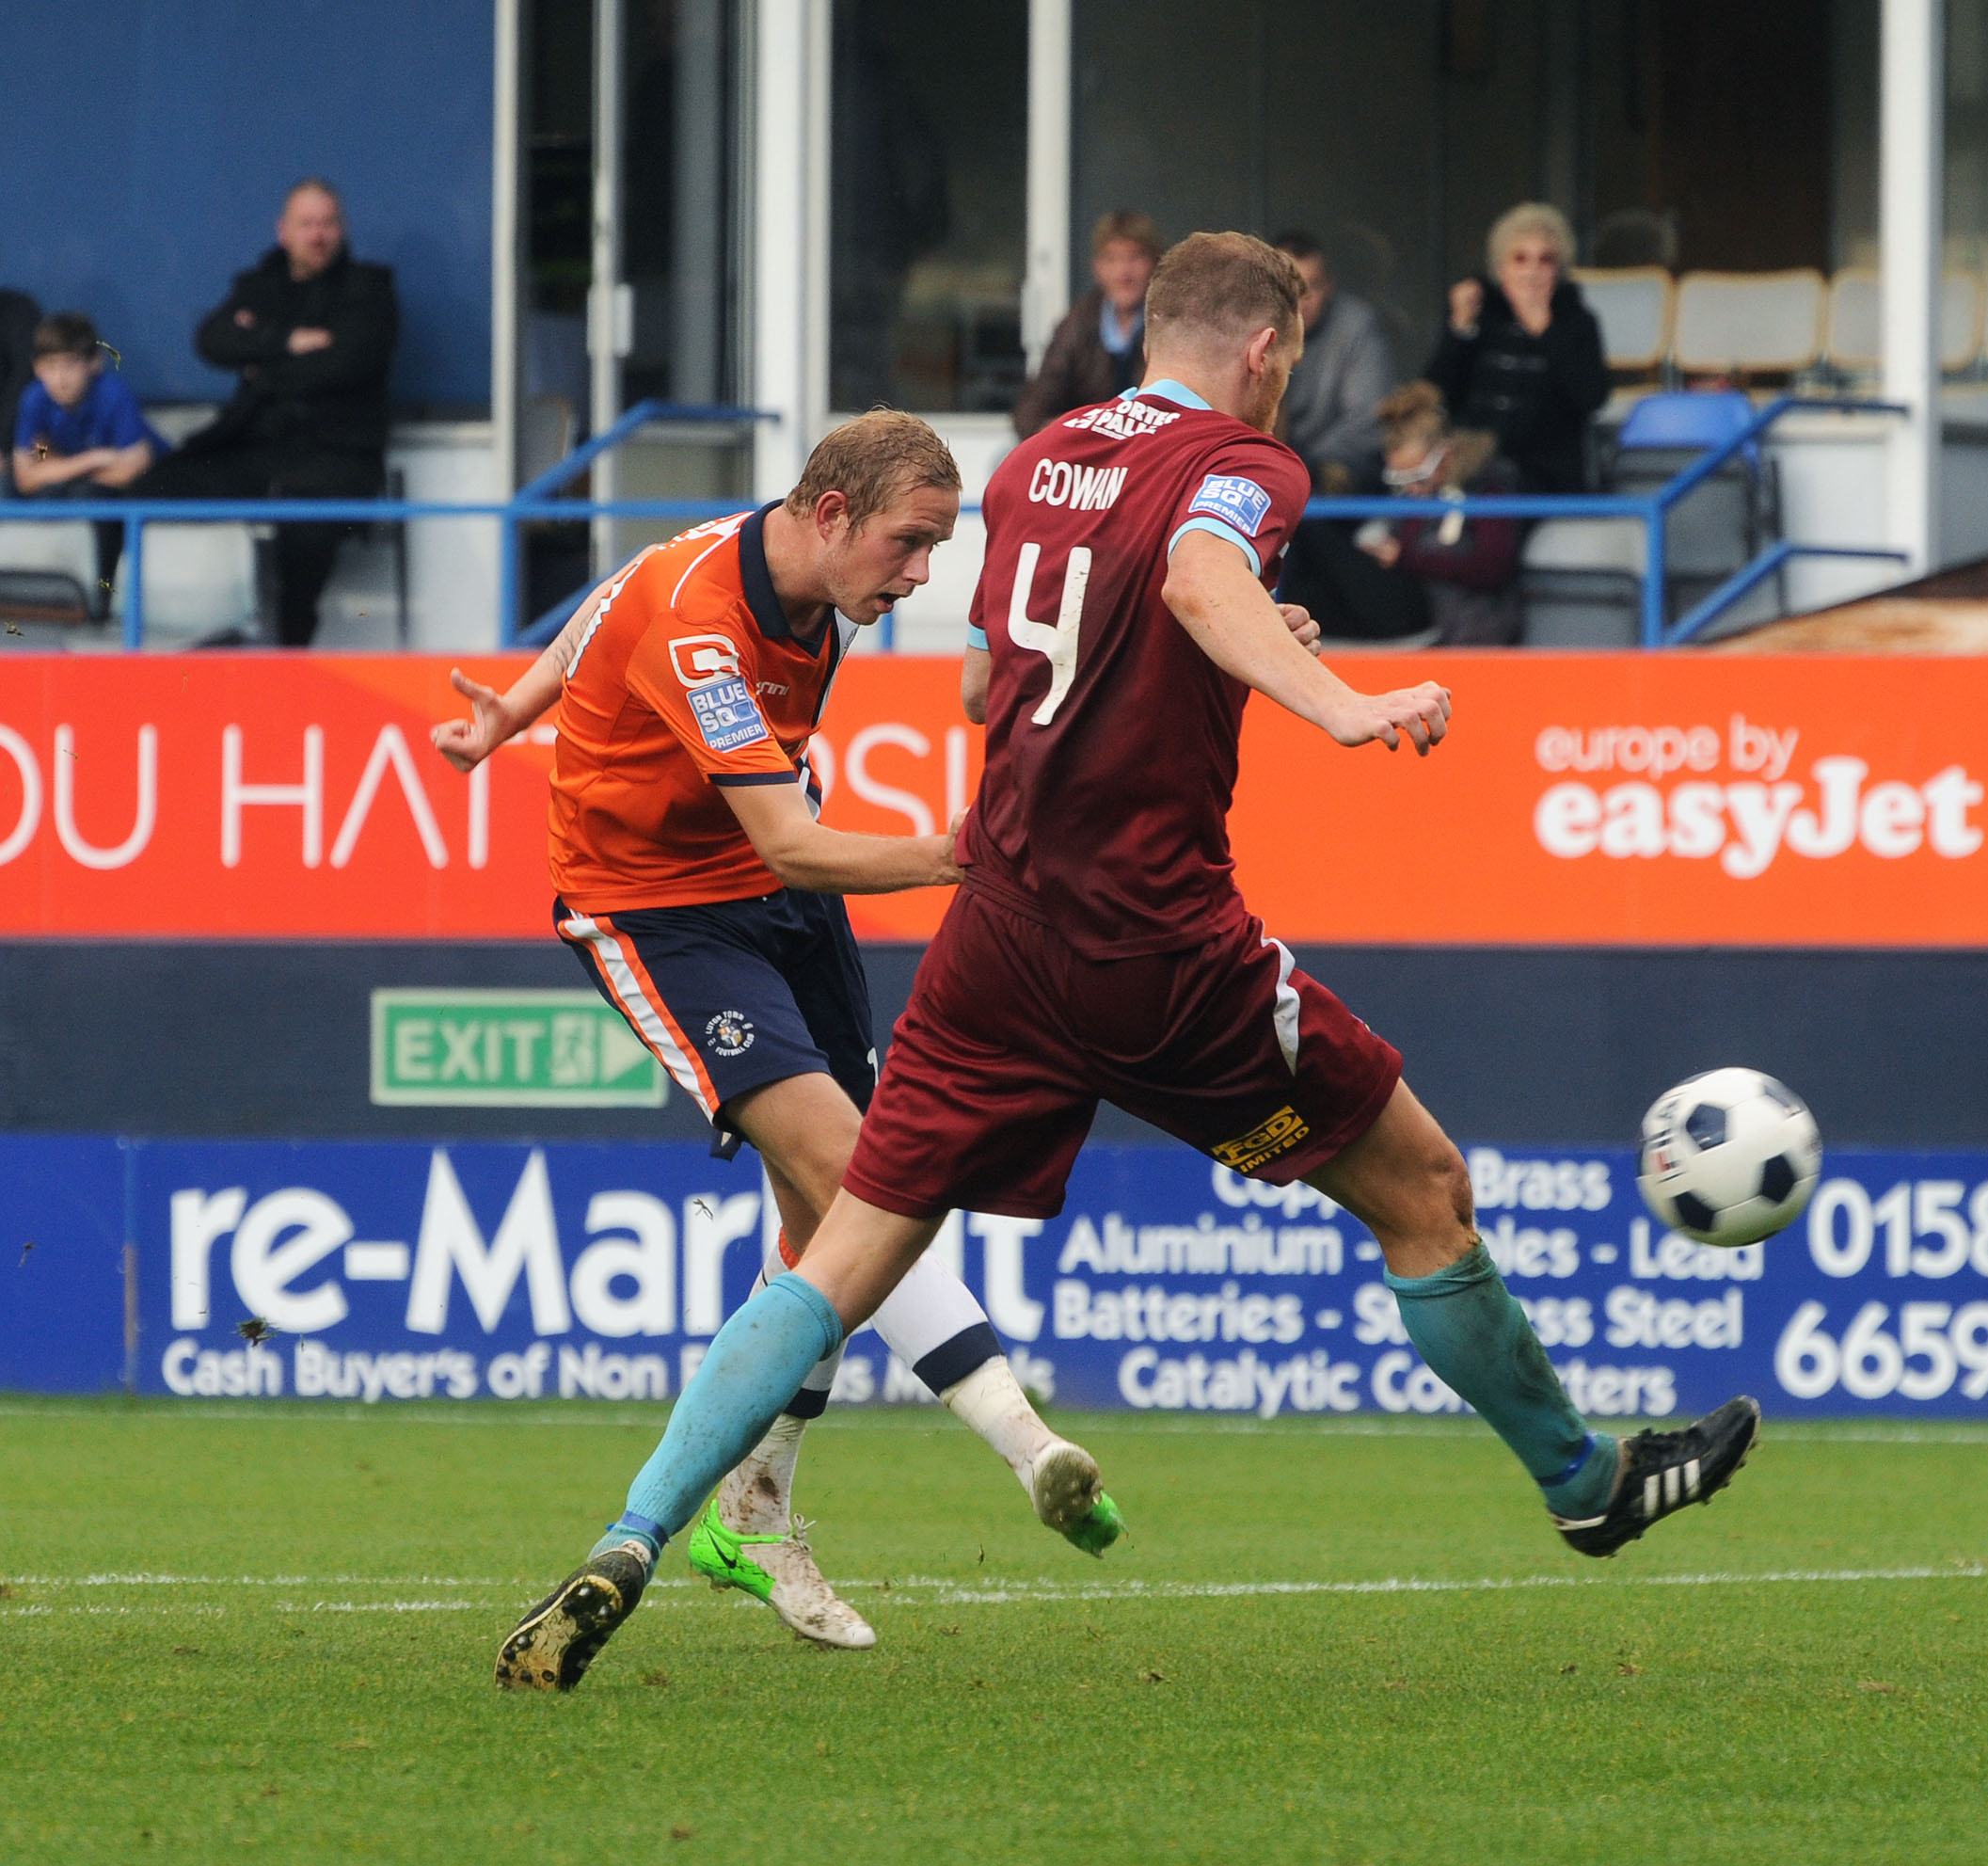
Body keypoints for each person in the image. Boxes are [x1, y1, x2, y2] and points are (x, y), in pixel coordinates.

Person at [497, 231, 1761, 1694]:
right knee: (1423, 1191)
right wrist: (1335, 698)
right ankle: (1582, 1482)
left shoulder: (1038, 460)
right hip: (1158, 939)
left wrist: (1236, 647)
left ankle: (635, 1533)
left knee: (842, 1251)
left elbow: (995, 679)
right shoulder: (1249, 462)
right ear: (1268, 352)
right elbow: (1198, 579)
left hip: (998, 940)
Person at [432, 411, 1120, 1654]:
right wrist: (966, 853)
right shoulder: (708, 619)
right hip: (657, 914)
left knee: (830, 1213)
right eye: (909, 547)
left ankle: (755, 1505)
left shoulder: (774, 570)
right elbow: (793, 837)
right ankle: (1025, 1444)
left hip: (775, 907)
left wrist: (507, 715)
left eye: (937, 552)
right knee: (867, 1181)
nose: (918, 578)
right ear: (831, 513)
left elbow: (600, 601)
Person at [129, 179, 397, 646]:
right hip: (254, 445)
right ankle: (128, 634)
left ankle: (289, 658)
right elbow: (212, 340)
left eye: (328, 223)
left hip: (335, 458)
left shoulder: (370, 290)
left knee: (305, 534)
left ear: (343, 228)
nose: (318, 235)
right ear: (283, 231)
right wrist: (289, 342)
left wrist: (262, 364)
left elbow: (349, 363)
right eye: (307, 224)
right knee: (146, 490)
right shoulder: (259, 285)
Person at [1278, 381, 1522, 645]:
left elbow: (1491, 566)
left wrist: (1405, 557)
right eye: (1401, 481)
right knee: (1308, 557)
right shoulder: (1414, 498)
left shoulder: (1486, 488)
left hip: (1440, 614)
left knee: (1312, 528)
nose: (1412, 489)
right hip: (1406, 594)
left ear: (1446, 454)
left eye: (1418, 477)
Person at [1424, 202, 1609, 495]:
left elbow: (1591, 397)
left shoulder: (1577, 321)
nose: (1532, 271)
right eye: (1520, 259)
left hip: (1545, 475)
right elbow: (1436, 396)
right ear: (1501, 268)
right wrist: (1459, 330)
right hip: (1469, 465)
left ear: (1558, 270)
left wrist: (1546, 331)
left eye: (1545, 260)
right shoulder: (1480, 318)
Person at [10, 311, 167, 591]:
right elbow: (26, 477)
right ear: (37, 367)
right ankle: (39, 598)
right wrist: (94, 460)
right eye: (50, 365)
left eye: (70, 365)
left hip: (158, 485)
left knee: (87, 498)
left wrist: (57, 469)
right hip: (83, 482)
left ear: (94, 362)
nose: (60, 378)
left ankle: (102, 601)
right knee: (46, 495)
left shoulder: (113, 393)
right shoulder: (34, 399)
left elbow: (135, 466)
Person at [1010, 211, 1158, 437]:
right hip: (1088, 452)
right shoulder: (1076, 325)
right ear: (1097, 266)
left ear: (1154, 263)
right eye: (1112, 259)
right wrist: (1063, 429)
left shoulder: (1168, 324)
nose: (1123, 272)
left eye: (1134, 257)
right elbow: (1032, 409)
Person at [1271, 230, 1392, 493]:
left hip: (1336, 472)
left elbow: (1369, 419)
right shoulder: (1246, 326)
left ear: (1330, 285)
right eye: (1291, 287)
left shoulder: (1356, 325)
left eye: (1312, 285)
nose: (1302, 300)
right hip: (1266, 470)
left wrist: (1305, 462)